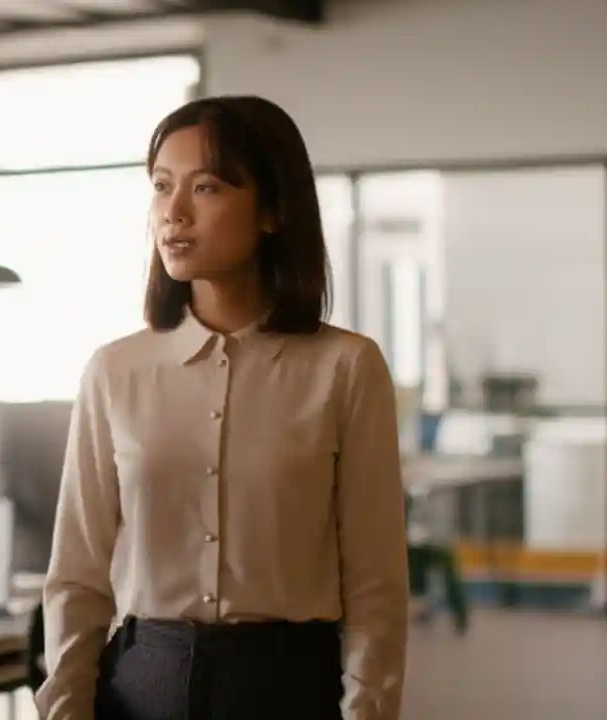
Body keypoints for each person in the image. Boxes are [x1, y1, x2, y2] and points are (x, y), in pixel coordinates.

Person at [37, 96, 409, 720]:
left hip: (289, 688)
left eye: (205, 187)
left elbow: (376, 584)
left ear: (273, 210)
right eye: (162, 187)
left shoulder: (346, 367)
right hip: (143, 686)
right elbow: (77, 574)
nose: (174, 212)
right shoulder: (115, 370)